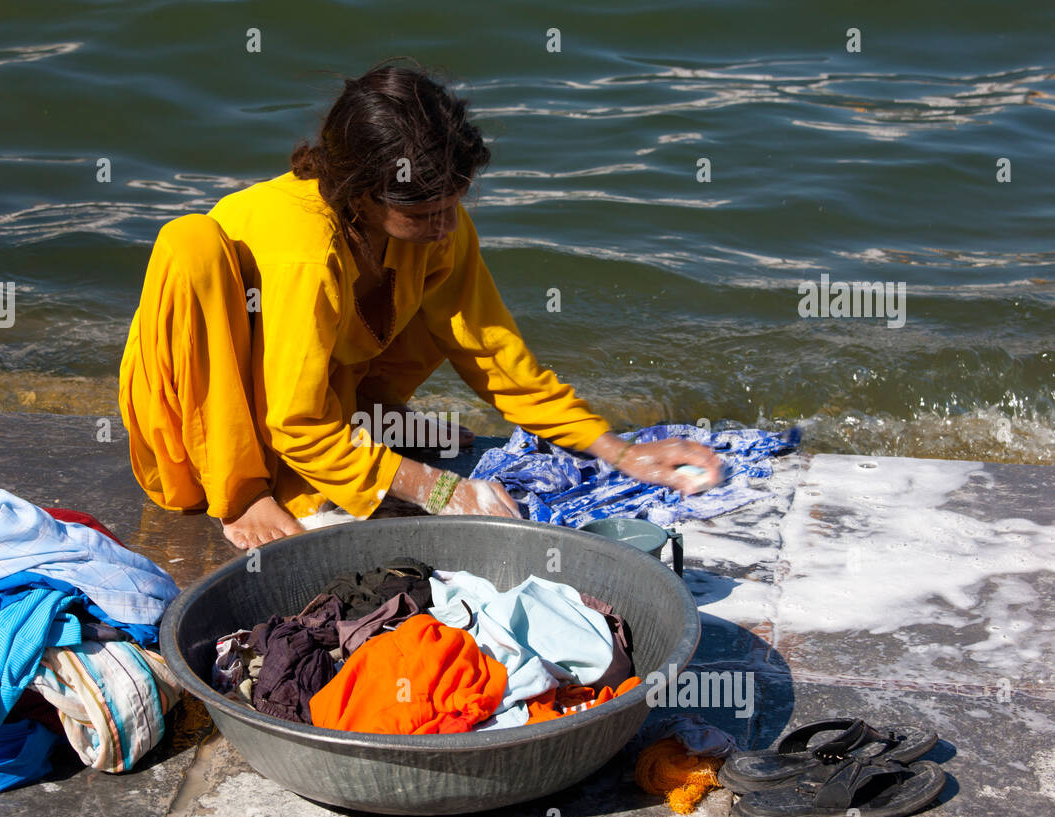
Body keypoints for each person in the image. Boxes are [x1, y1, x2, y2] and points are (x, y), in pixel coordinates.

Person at [119, 61, 721, 550]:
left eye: (452, 205)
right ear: (359, 192)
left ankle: (366, 424)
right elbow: (294, 423)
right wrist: (437, 491)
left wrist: (616, 450)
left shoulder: (437, 232)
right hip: (209, 423)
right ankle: (245, 489)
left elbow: (490, 349)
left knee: (448, 308)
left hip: (311, 393)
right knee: (191, 245)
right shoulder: (304, 251)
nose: (444, 226)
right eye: (425, 212)